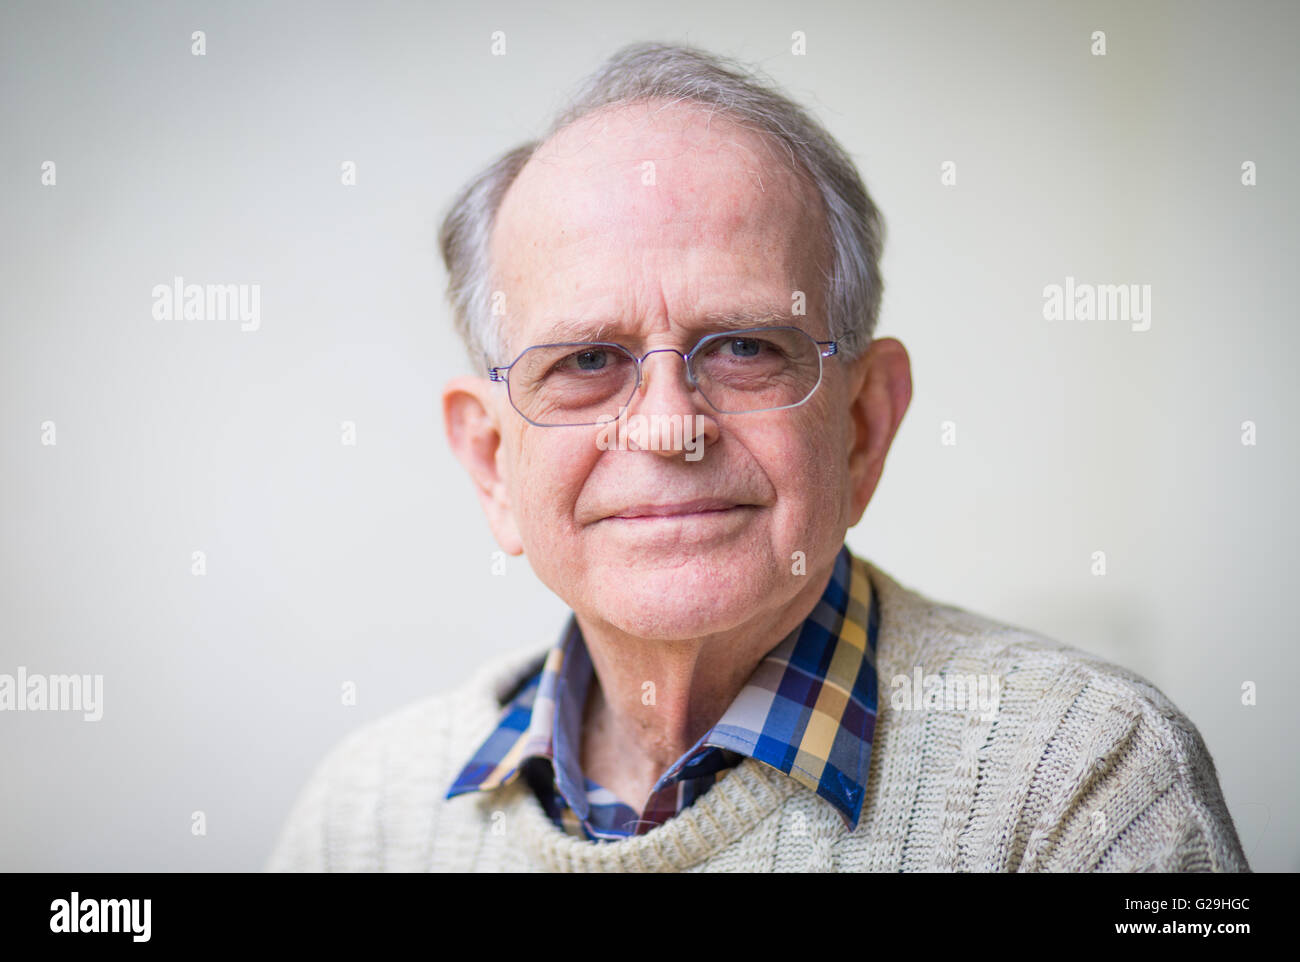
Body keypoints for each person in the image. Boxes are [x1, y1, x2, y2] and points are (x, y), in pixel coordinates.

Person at [266, 41, 1248, 872]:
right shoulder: (364, 819)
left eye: (742, 347)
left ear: (863, 424)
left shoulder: (1081, 778)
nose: (666, 427)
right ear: (490, 463)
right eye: (587, 361)